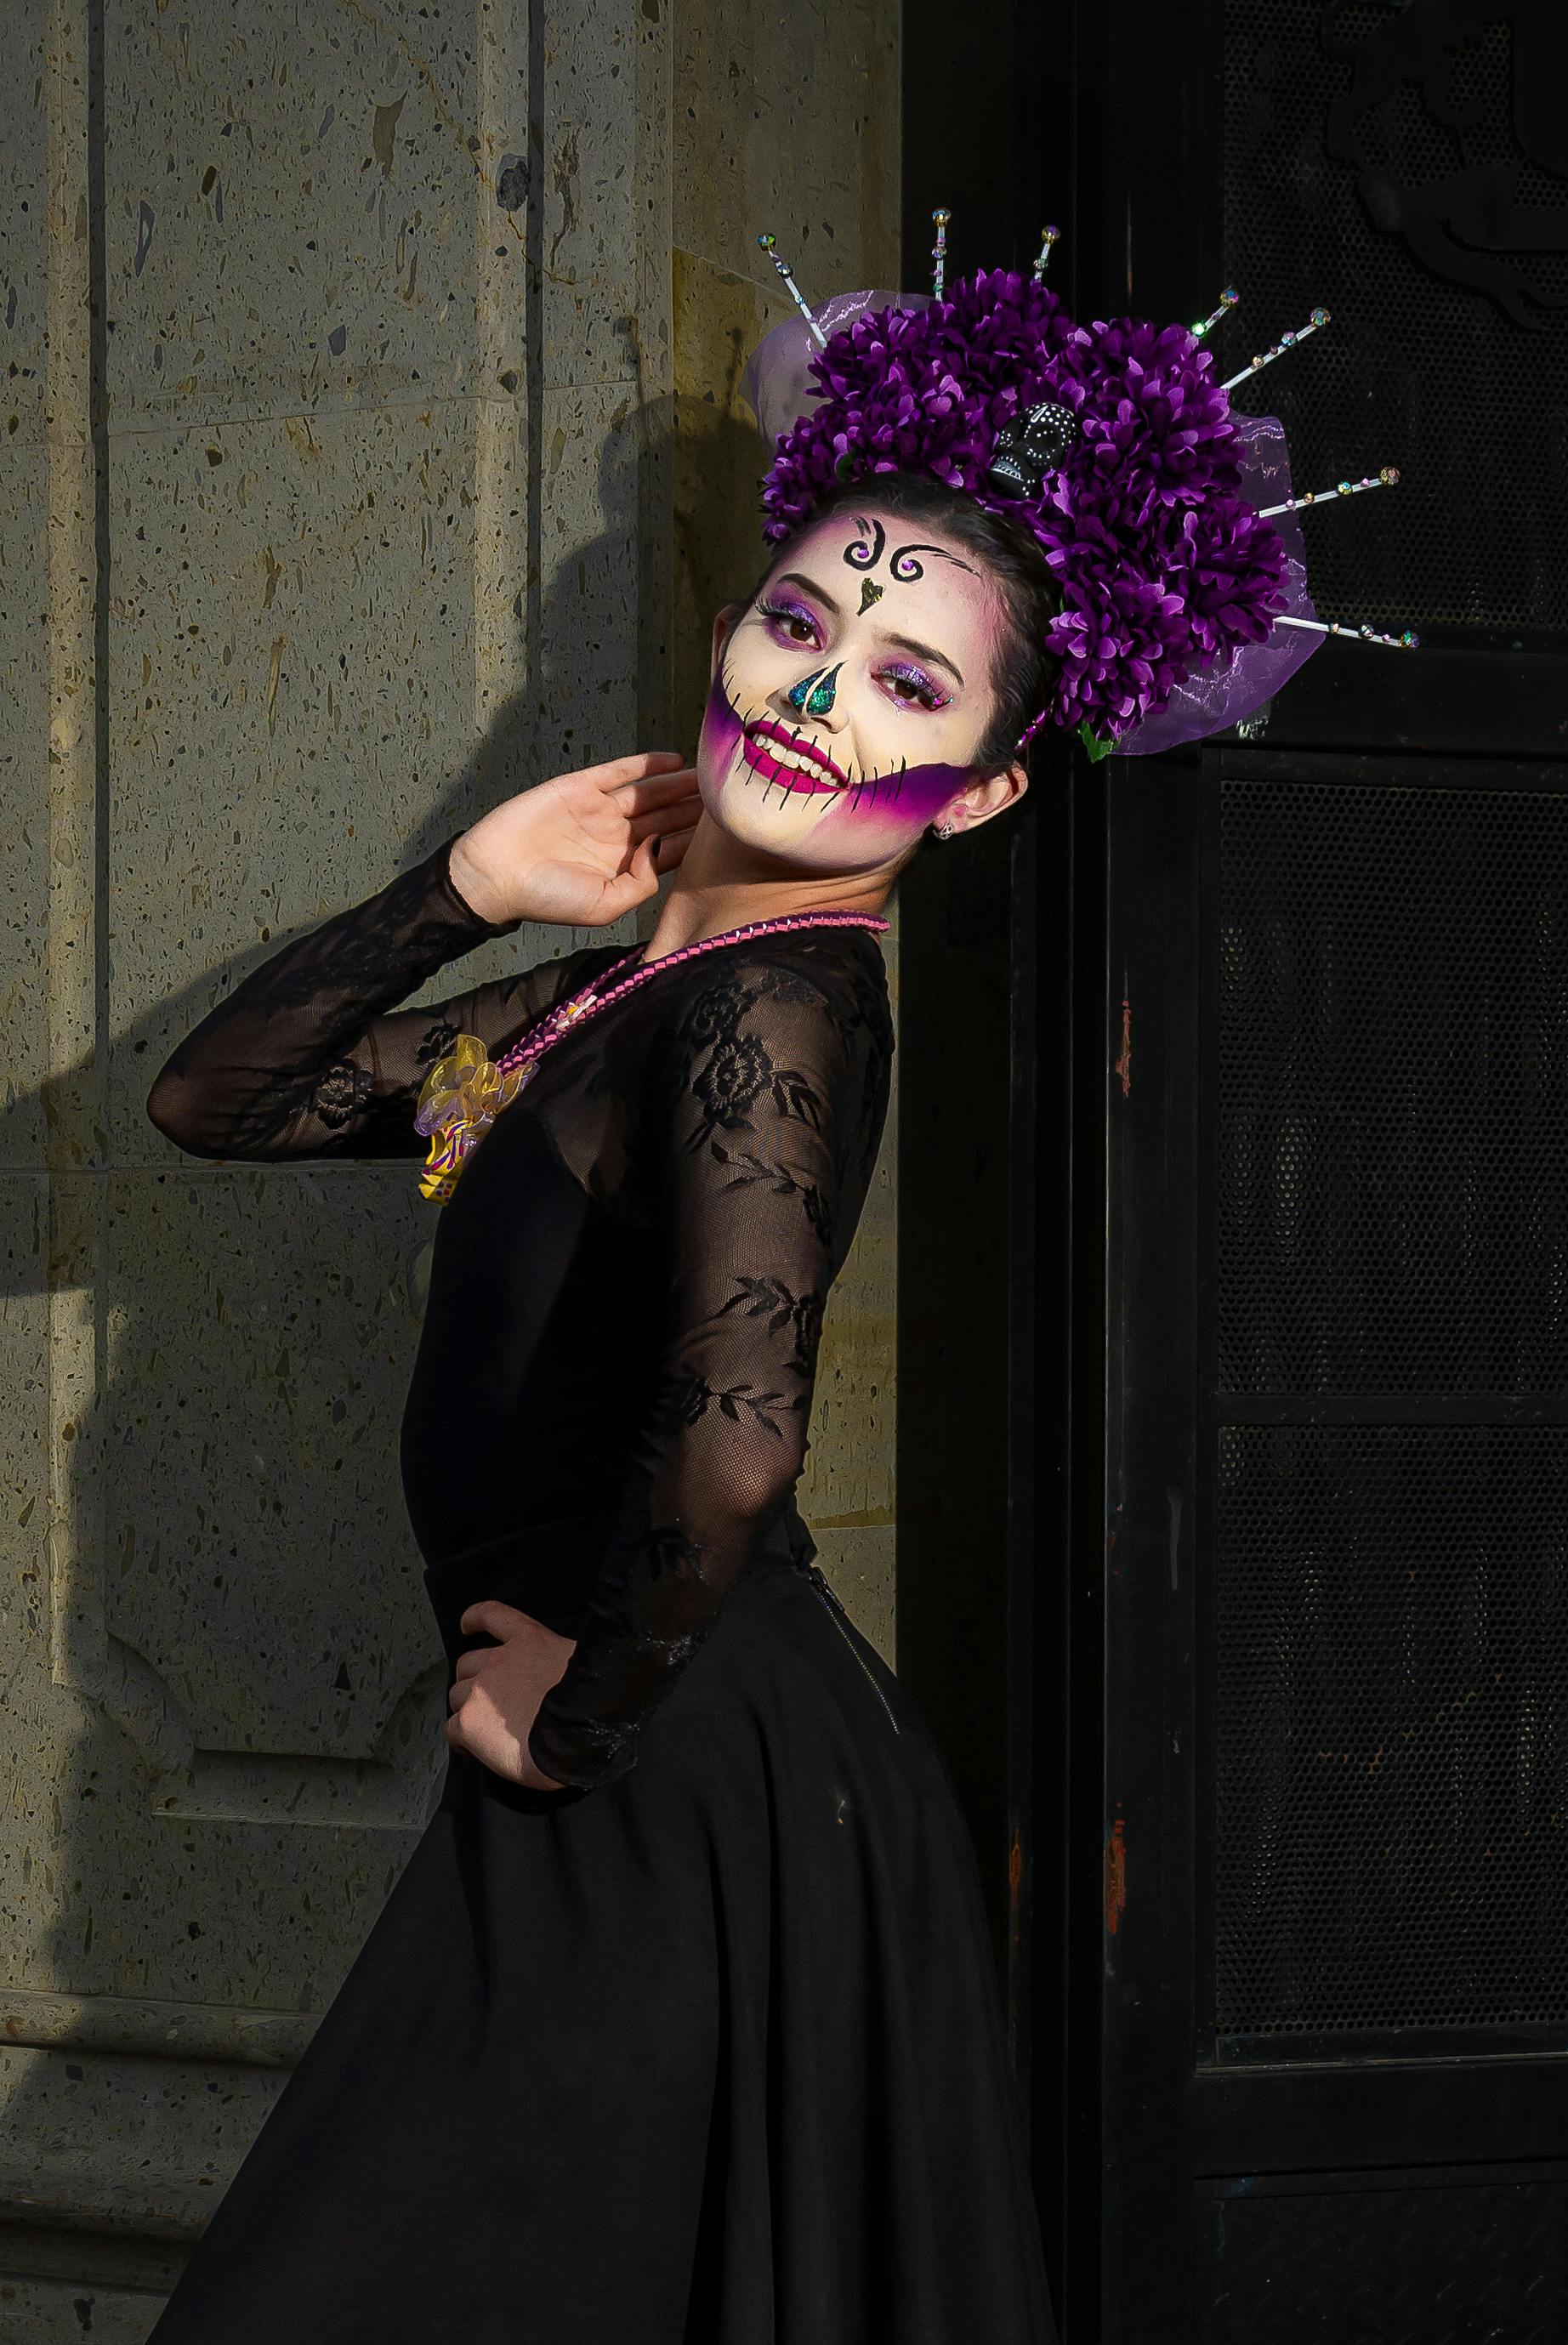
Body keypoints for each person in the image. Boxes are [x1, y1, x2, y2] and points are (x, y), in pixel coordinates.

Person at [141, 235, 1399, 2342]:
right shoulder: (634, 988)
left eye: (908, 681)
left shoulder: (781, 1011)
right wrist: (460, 881)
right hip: (660, 1759)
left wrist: (577, 1717)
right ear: (729, 625)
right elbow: (224, 1099)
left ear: (988, 784)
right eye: (799, 620)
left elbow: (732, 1442)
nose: (817, 694)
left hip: (665, 1757)